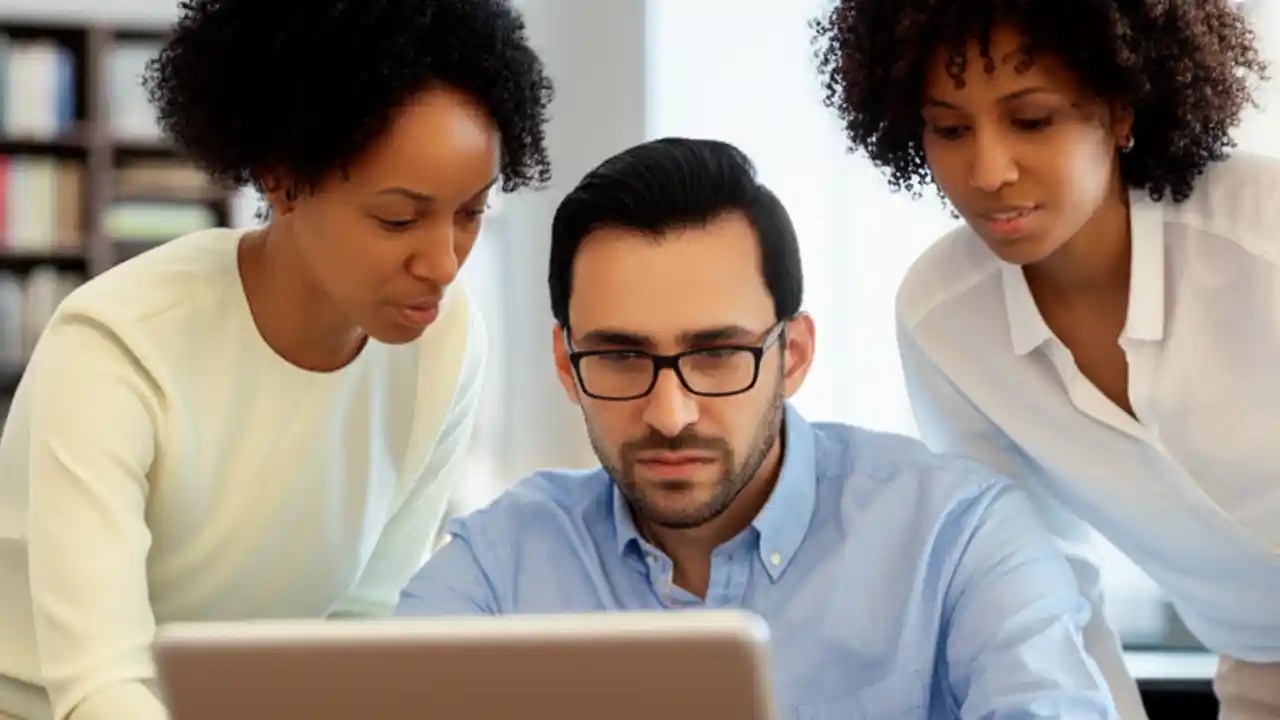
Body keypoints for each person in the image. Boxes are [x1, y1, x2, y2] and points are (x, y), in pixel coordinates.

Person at [396, 137, 1119, 718]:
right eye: (620, 357)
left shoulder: (956, 539)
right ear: (566, 363)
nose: (669, 414)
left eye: (716, 355)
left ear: (792, 354)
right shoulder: (499, 567)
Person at [0, 1, 553, 718]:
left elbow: (365, 627)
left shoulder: (445, 343)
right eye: (398, 218)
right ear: (282, 180)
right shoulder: (114, 349)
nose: (445, 264)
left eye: (471, 213)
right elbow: (100, 688)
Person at [814, 1, 1277, 718]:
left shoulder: (1262, 228)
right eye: (951, 130)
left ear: (1120, 110)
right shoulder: (944, 321)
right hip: (1260, 673)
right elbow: (1049, 593)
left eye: (1031, 120)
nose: (988, 170)